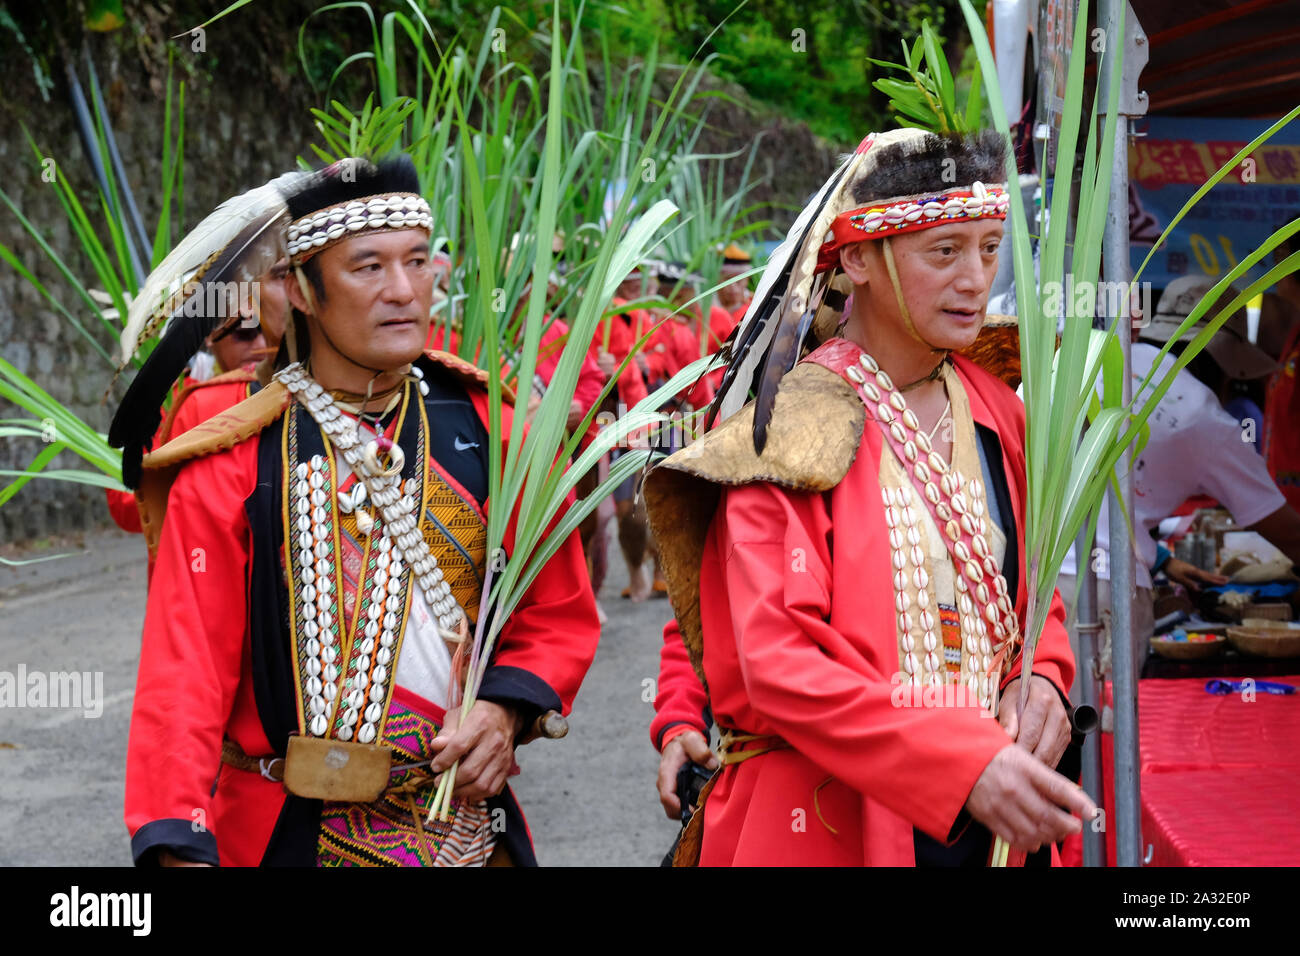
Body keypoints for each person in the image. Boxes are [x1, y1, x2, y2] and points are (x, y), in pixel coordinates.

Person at [114, 155, 599, 867]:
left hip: (465, 831)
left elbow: (555, 612)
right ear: (301, 289)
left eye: (416, 262)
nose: (403, 291)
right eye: (367, 267)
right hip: (289, 834)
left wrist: (503, 709)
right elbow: (185, 676)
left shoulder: (493, 432)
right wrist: (177, 841)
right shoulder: (232, 460)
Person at [643, 128, 1095, 867]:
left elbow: (1030, 594)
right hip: (829, 820)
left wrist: (1040, 675)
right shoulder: (786, 427)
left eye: (988, 248)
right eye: (943, 252)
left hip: (993, 814)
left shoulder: (995, 409)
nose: (976, 279)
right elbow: (780, 661)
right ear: (857, 259)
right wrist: (957, 762)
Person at [1058, 276, 1300, 687]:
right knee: (1092, 737)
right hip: (1102, 595)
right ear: (1222, 360)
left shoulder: (1090, 359)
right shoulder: (1203, 417)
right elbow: (1288, 535)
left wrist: (1161, 560)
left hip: (1027, 580)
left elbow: (1094, 497)